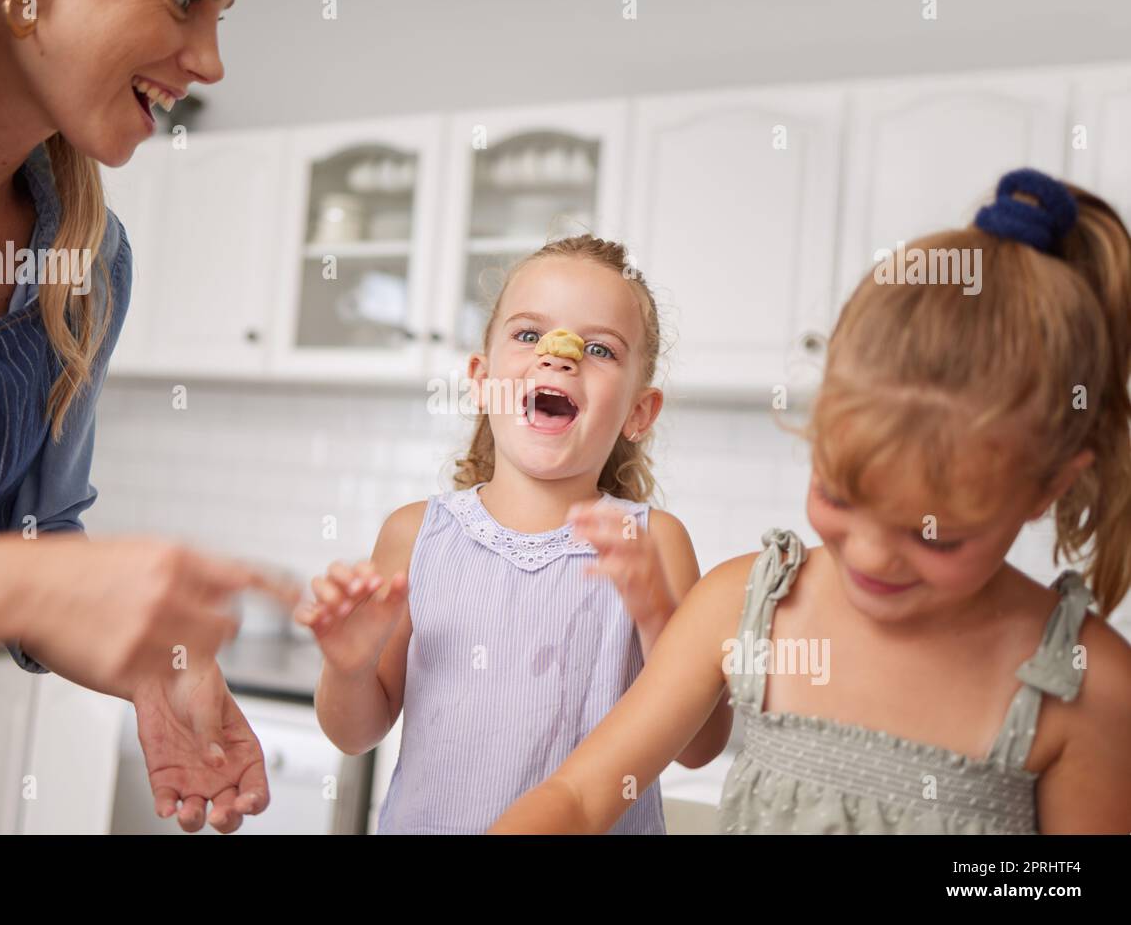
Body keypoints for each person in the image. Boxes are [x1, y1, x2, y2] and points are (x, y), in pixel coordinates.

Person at [492, 170, 1131, 834]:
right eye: (841, 492)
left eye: (935, 535)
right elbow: (579, 797)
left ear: (1049, 484)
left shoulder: (1086, 688)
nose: (874, 552)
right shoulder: (743, 605)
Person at [0, 0, 299, 835]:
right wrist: (29, 585)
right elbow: (28, 575)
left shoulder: (82, 268)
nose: (212, 61)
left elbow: (38, 541)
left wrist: (151, 662)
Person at [296, 235, 731, 833]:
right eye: (529, 335)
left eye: (600, 348)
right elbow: (354, 734)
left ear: (639, 410)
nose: (560, 356)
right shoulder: (416, 534)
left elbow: (699, 746)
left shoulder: (654, 544)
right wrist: (347, 669)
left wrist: (656, 612)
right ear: (482, 377)